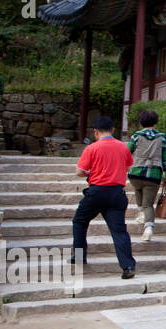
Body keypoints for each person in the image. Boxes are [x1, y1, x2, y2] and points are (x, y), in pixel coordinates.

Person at [73, 116, 137, 278]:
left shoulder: (92, 148)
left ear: (95, 132)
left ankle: (79, 256)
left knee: (79, 221)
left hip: (96, 192)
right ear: (113, 130)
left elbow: (80, 172)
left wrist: (91, 172)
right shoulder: (123, 147)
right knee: (119, 231)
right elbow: (129, 166)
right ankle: (128, 266)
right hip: (117, 193)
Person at [127, 109, 166, 242]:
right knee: (148, 204)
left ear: (141, 122)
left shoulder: (135, 136)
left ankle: (141, 214)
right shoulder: (162, 137)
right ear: (156, 122)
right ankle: (148, 228)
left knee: (138, 189)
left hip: (136, 172)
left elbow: (127, 151)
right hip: (154, 174)